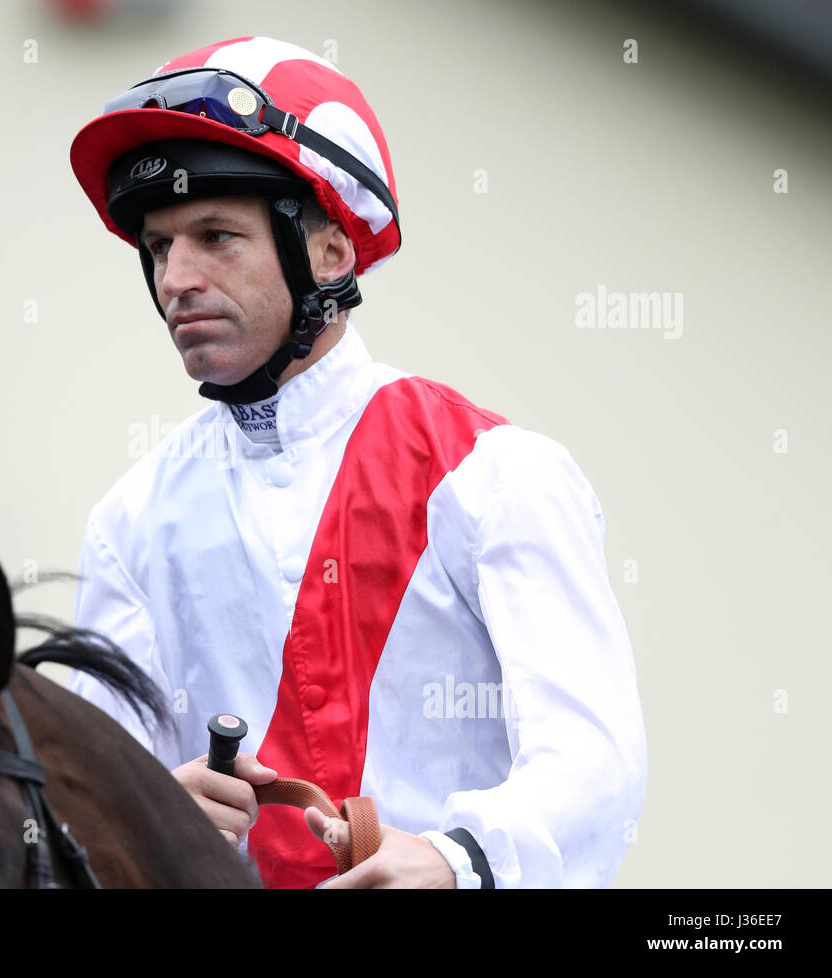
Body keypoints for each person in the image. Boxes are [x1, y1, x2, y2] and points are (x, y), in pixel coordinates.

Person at [65, 35, 647, 889]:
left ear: (330, 252)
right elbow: (86, 811)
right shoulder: (127, 524)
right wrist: (151, 813)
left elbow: (597, 765)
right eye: (157, 248)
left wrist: (456, 861)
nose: (175, 278)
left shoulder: (498, 475)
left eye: (215, 235)